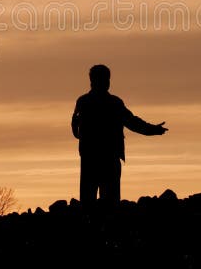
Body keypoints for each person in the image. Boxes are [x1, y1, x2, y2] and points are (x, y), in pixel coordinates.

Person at [71, 64, 168, 208]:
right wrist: (153, 130)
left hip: (91, 158)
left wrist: (153, 129)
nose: (106, 83)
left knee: (90, 202)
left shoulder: (84, 102)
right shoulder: (113, 103)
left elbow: (75, 128)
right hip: (106, 158)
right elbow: (132, 122)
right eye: (104, 79)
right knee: (107, 203)